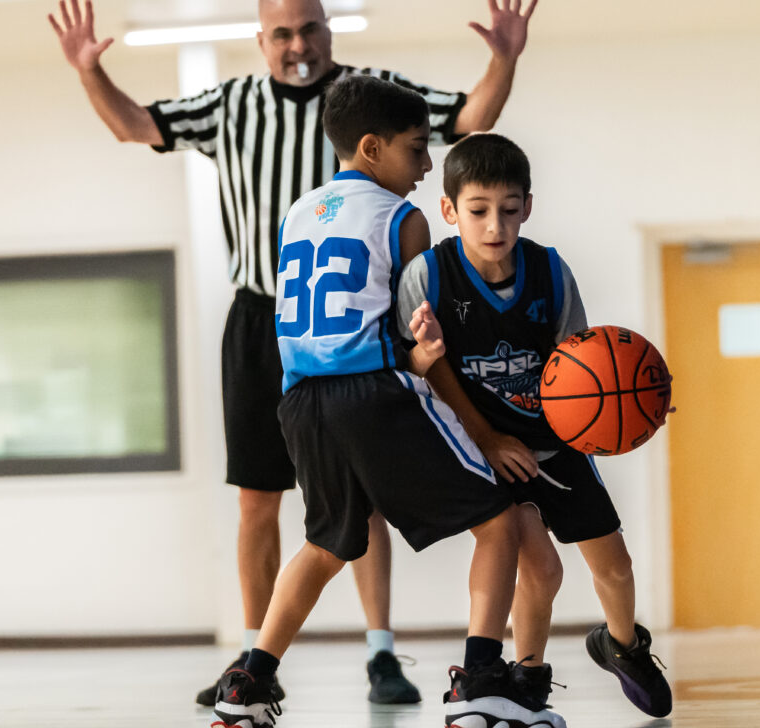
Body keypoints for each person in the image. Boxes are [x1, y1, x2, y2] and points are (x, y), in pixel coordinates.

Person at [47, 0, 539, 704]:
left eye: (310, 28)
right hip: (336, 352)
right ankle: (481, 675)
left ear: (328, 31)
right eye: (282, 33)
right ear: (261, 40)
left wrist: (505, 58)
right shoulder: (378, 195)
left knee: (332, 530)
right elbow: (420, 336)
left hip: (298, 367)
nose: (298, 43)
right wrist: (478, 421)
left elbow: (468, 115)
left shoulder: (317, 182)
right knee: (488, 520)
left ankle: (274, 668)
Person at [210, 75, 564, 728]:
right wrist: (433, 370)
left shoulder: (297, 212)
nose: (428, 164)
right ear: (371, 148)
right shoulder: (405, 218)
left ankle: (249, 683)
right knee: (502, 523)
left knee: (324, 545)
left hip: (299, 401)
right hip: (373, 390)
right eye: (416, 148)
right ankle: (480, 679)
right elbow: (414, 325)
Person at [396, 133, 673, 718]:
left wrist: (632, 404)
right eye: (478, 211)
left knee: (616, 571)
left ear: (528, 205)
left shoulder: (549, 271)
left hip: (555, 441)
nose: (495, 225)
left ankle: (622, 646)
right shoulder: (428, 277)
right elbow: (423, 374)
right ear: (449, 211)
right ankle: (529, 677)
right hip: (482, 449)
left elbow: (587, 369)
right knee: (541, 571)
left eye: (509, 209)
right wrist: (483, 432)